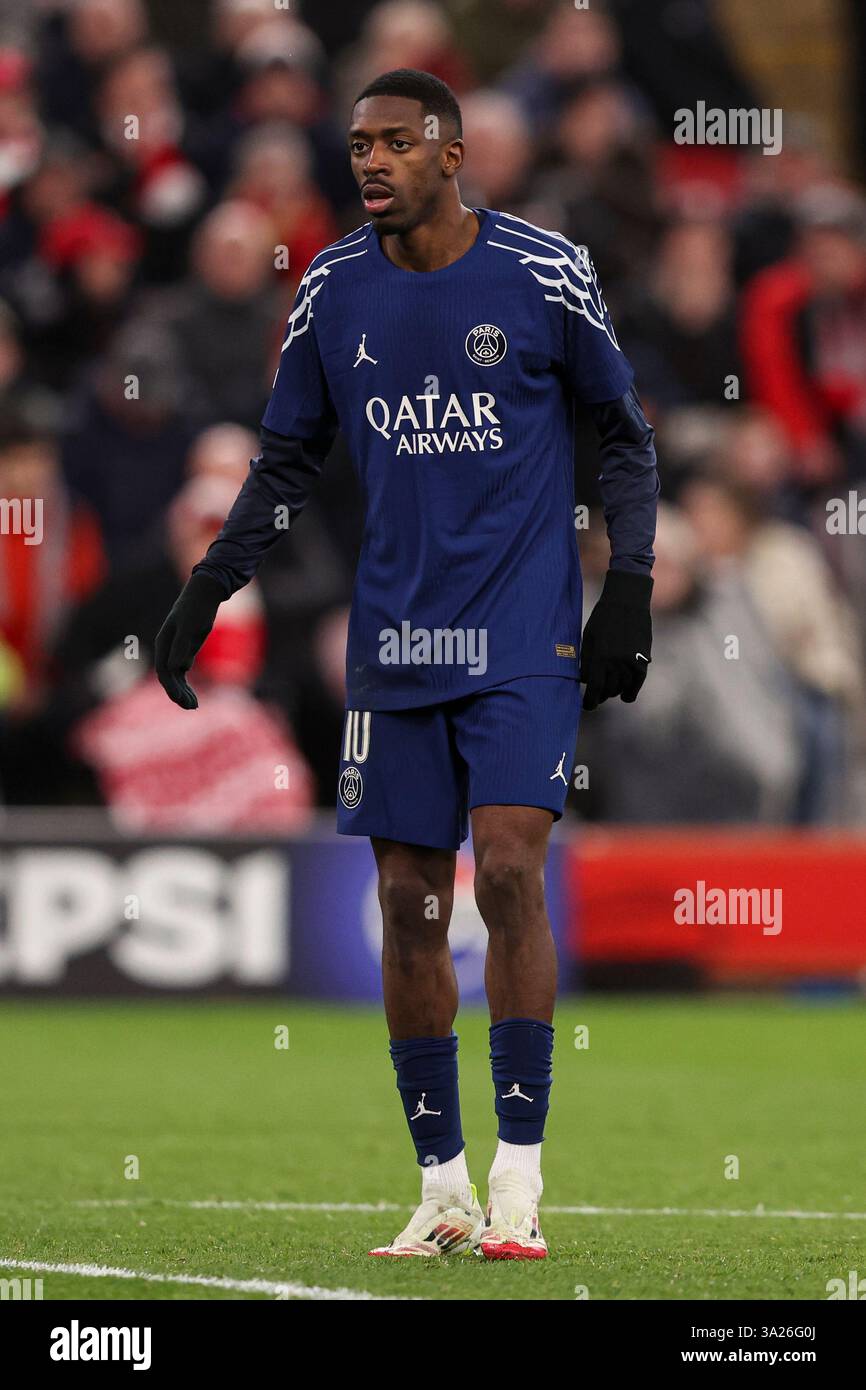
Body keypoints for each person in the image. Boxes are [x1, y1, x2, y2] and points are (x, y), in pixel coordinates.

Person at [154, 68, 658, 1260]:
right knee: (405, 901)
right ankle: (439, 1187)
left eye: (391, 142)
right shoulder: (330, 289)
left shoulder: (542, 271)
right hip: (395, 639)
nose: (367, 161)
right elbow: (285, 465)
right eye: (355, 144)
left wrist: (627, 581)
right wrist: (207, 585)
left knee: (505, 868)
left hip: (522, 633)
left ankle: (518, 1178)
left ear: (451, 150)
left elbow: (622, 436)